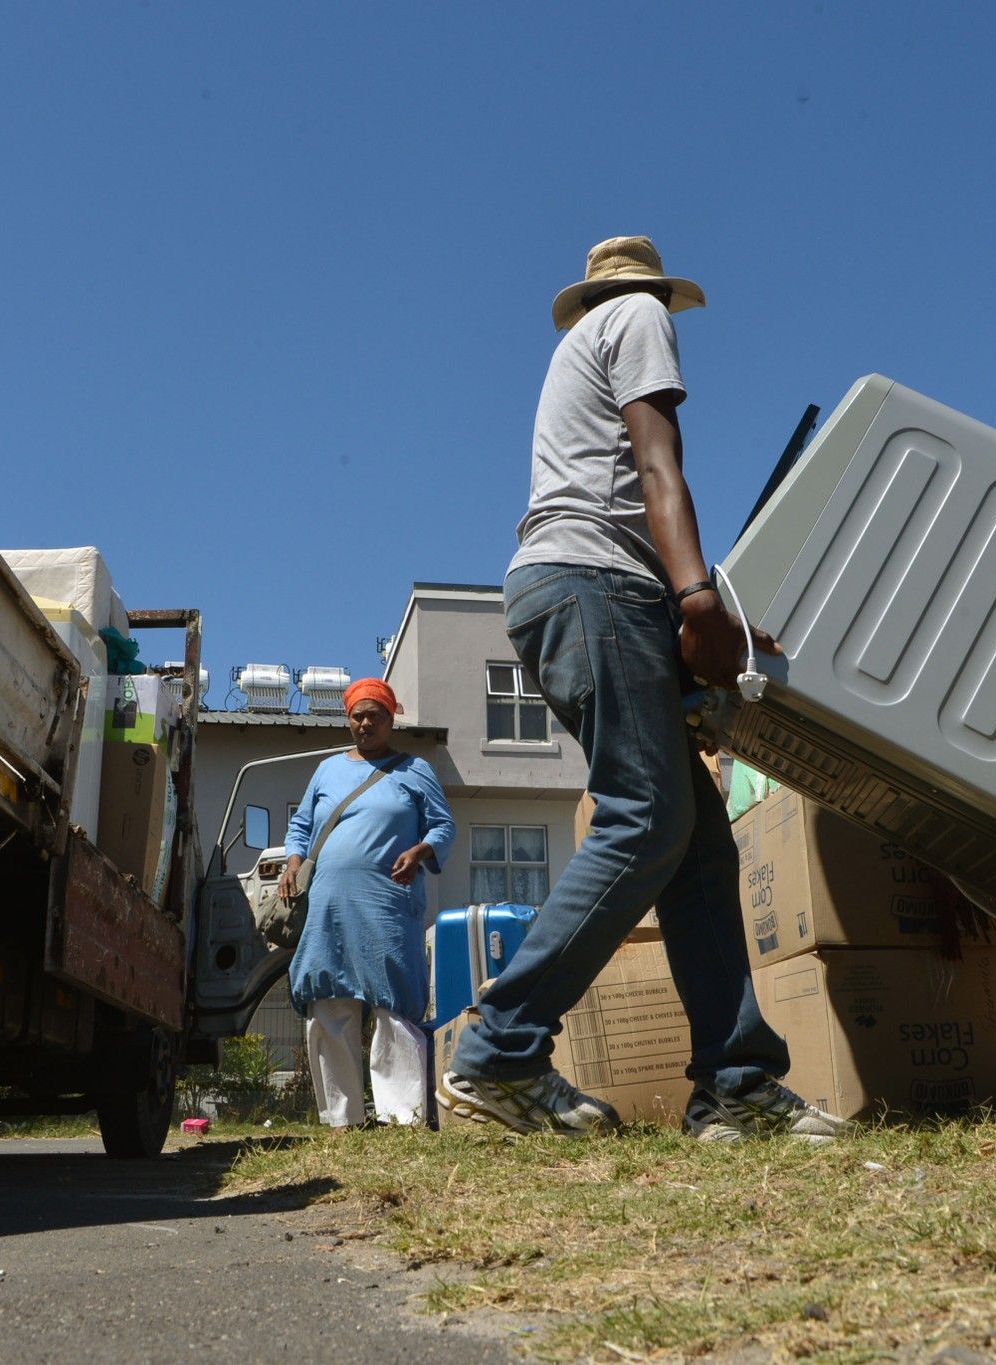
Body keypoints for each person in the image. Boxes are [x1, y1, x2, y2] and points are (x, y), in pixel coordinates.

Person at [437, 235, 846, 1140]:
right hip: (594, 585)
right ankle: (500, 1048)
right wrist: (699, 599)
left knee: (697, 848)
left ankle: (735, 1082)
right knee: (647, 814)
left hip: (579, 591)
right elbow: (660, 465)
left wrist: (697, 621)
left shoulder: (577, 344)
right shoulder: (641, 315)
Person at [278, 678, 454, 1129]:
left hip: (388, 905)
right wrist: (292, 862)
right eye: (358, 714)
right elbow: (300, 826)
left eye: (374, 714)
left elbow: (443, 826)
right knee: (329, 1003)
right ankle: (343, 1121)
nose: (365, 722)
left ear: (390, 718)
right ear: (348, 719)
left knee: (392, 1006)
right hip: (329, 906)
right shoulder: (327, 770)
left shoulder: (414, 770)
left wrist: (419, 852)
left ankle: (402, 1119)